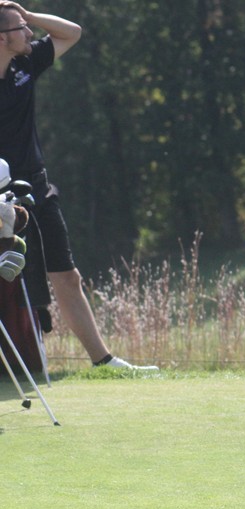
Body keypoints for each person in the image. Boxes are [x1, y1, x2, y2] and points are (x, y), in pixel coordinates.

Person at [0, 2, 157, 371]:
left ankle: (103, 361)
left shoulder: (25, 63)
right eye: (20, 29)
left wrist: (28, 15)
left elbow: (72, 32)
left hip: (36, 187)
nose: (30, 34)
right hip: (0, 197)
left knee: (67, 275)